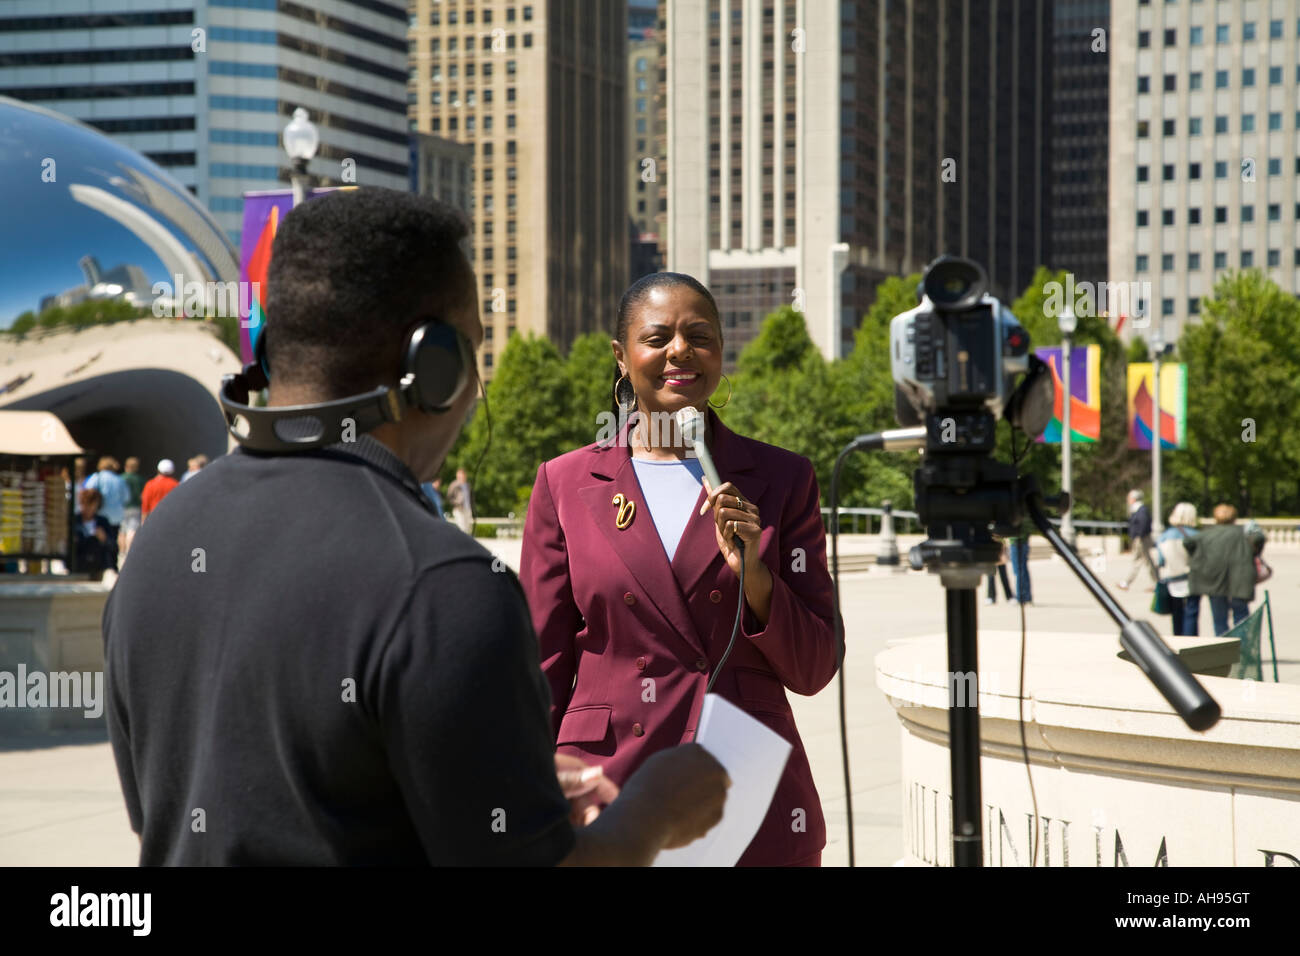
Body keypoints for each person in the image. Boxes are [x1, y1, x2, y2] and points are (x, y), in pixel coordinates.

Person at [103, 188, 727, 866]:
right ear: (435, 367)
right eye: (475, 353)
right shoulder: (443, 585)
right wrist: (655, 809)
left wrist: (498, 786)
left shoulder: (161, 544)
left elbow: (214, 810)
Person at [519, 272, 839, 867]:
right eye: (657, 336)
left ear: (720, 352)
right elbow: (542, 668)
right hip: (607, 798)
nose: (680, 351)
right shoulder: (563, 483)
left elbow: (816, 668)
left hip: (747, 797)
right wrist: (531, 805)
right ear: (621, 356)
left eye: (700, 336)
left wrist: (759, 581)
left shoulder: (784, 479)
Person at [1185, 503, 1267, 635]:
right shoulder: (1244, 534)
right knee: (1241, 618)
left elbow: (1188, 542)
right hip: (1240, 581)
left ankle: (1224, 649)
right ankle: (1242, 650)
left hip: (1215, 581)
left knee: (1219, 620)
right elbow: (1259, 539)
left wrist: (1197, 556)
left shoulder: (1206, 535)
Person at [1156, 502, 1200, 636]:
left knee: (1176, 613)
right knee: (1191, 613)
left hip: (1173, 578)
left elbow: (1161, 561)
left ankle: (1179, 641)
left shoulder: (1164, 536)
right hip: (1193, 578)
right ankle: (1191, 644)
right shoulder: (1197, 535)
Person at [83, 456, 129, 571]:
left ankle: (103, 564)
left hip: (101, 513)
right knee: (113, 539)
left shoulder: (97, 478)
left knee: (101, 539)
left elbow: (88, 492)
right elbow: (126, 497)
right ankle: (113, 564)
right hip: (116, 516)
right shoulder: (119, 479)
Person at [1116, 489, 1158, 591]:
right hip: (1140, 539)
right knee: (1143, 561)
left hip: (1142, 539)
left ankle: (1156, 583)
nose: (1128, 500)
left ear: (1134, 499)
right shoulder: (1137, 509)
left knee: (1144, 561)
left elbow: (1143, 525)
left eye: (1129, 498)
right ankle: (1156, 583)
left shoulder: (1141, 510)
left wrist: (1139, 536)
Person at [73, 487, 114, 581]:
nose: (89, 509)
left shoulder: (102, 522)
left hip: (98, 566)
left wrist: (104, 539)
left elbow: (113, 546)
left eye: (92, 505)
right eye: (86, 504)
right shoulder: (75, 521)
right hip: (79, 566)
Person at [118, 456, 144, 561]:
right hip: (136, 507)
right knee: (132, 530)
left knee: (122, 531)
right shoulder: (140, 480)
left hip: (123, 507)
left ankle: (121, 553)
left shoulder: (121, 478)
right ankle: (129, 553)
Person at [985, 537, 1013, 605]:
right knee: (991, 577)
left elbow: (1003, 541)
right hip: (990, 552)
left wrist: (1003, 551)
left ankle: (1009, 596)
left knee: (1003, 576)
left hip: (1000, 551)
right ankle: (991, 597)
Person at [446, 467, 474, 535]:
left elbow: (471, 497)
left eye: (463, 475)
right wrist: (456, 503)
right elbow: (449, 497)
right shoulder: (454, 485)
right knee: (462, 527)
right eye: (459, 475)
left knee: (468, 528)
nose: (461, 476)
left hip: (467, 509)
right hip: (458, 509)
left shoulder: (468, 485)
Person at [1008, 529, 1032, 606]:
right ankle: (1027, 596)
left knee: (1019, 571)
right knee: (1023, 570)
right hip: (1023, 542)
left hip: (1016, 542)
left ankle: (1020, 596)